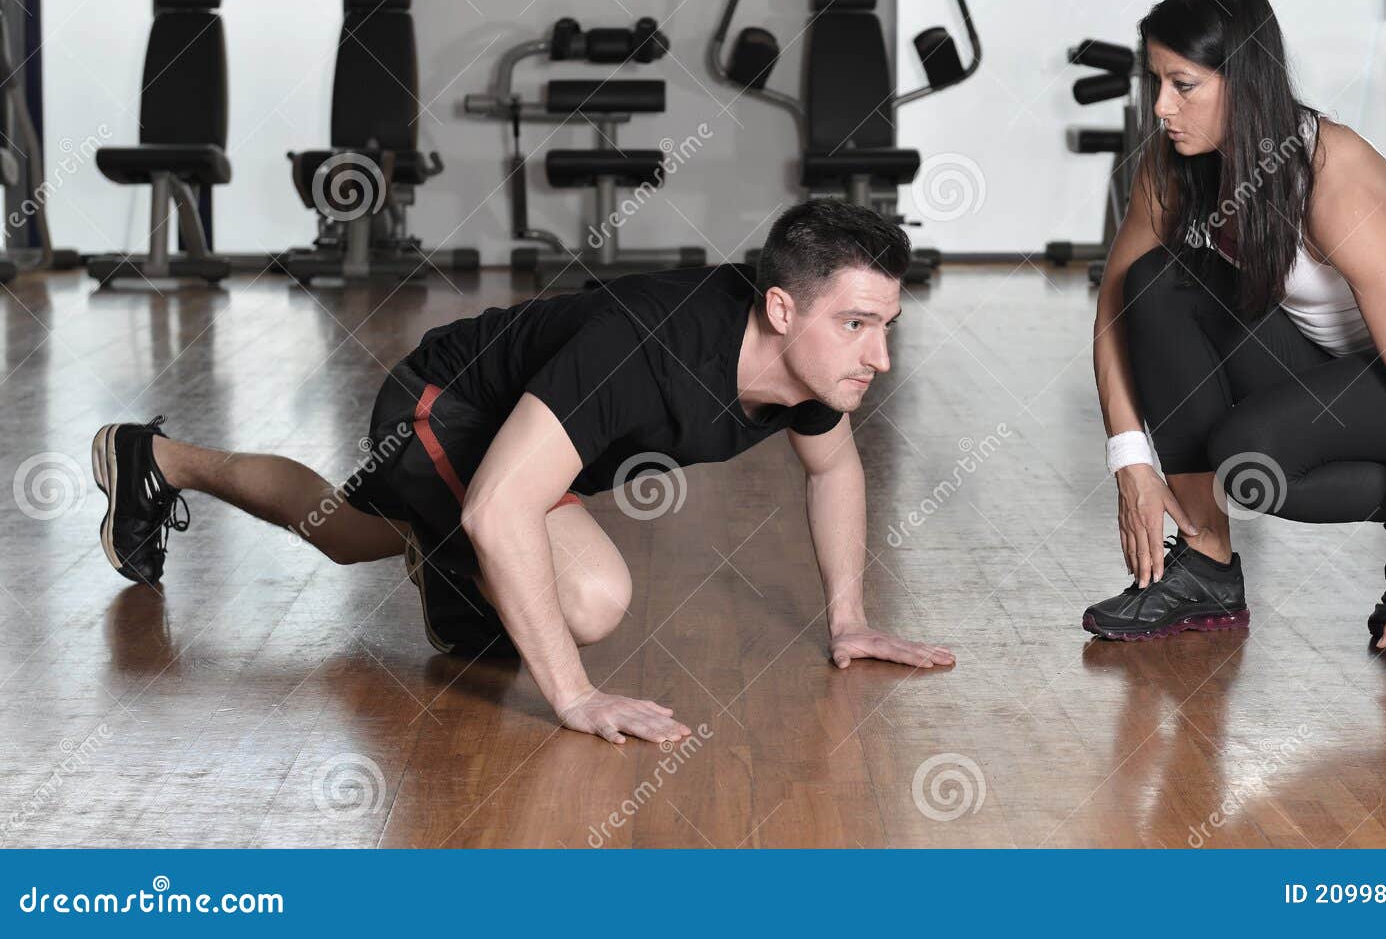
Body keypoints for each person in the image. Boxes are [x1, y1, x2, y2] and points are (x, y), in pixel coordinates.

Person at [91, 199, 955, 745]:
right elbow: (504, 509)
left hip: (527, 440)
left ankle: (159, 459)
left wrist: (849, 621)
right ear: (780, 308)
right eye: (855, 325)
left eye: (887, 325)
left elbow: (834, 470)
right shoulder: (648, 349)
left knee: (357, 537)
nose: (878, 356)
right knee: (582, 597)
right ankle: (168, 461)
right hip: (444, 404)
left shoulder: (814, 368)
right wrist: (574, 699)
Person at [1084, 0, 1386, 695]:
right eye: (1155, 82)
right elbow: (1113, 312)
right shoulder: (1173, 166)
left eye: (1182, 85)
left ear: (1243, 82)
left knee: (1250, 457)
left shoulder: (1333, 180)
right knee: (1154, 285)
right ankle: (1207, 568)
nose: (1161, 107)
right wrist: (1130, 459)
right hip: (1331, 364)